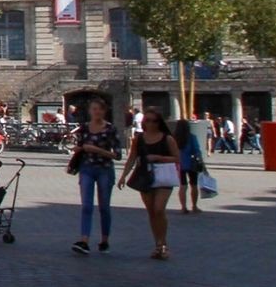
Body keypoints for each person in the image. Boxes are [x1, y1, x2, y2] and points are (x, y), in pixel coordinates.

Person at [119, 107, 180, 260]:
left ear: (159, 122)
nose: (150, 124)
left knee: (159, 209)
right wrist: (123, 176)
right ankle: (158, 244)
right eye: (147, 120)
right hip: (145, 175)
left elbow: (177, 158)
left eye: (154, 121)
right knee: (151, 211)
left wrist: (158, 157)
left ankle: (164, 243)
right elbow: (132, 158)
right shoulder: (138, 138)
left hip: (163, 175)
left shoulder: (167, 138)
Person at [69, 98, 121, 255]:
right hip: (87, 168)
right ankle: (84, 240)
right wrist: (78, 149)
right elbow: (81, 146)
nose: (96, 112)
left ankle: (104, 240)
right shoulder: (84, 128)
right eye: (94, 109)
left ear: (104, 111)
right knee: (86, 206)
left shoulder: (110, 129)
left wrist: (97, 150)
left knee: (104, 207)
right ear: (90, 111)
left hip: (104, 169)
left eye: (99, 109)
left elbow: (117, 155)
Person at [175, 117, 206, 214]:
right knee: (194, 185)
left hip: (179, 164)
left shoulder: (174, 138)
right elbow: (197, 151)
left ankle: (183, 207)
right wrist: (201, 161)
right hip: (191, 164)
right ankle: (194, 206)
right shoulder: (191, 137)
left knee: (182, 186)